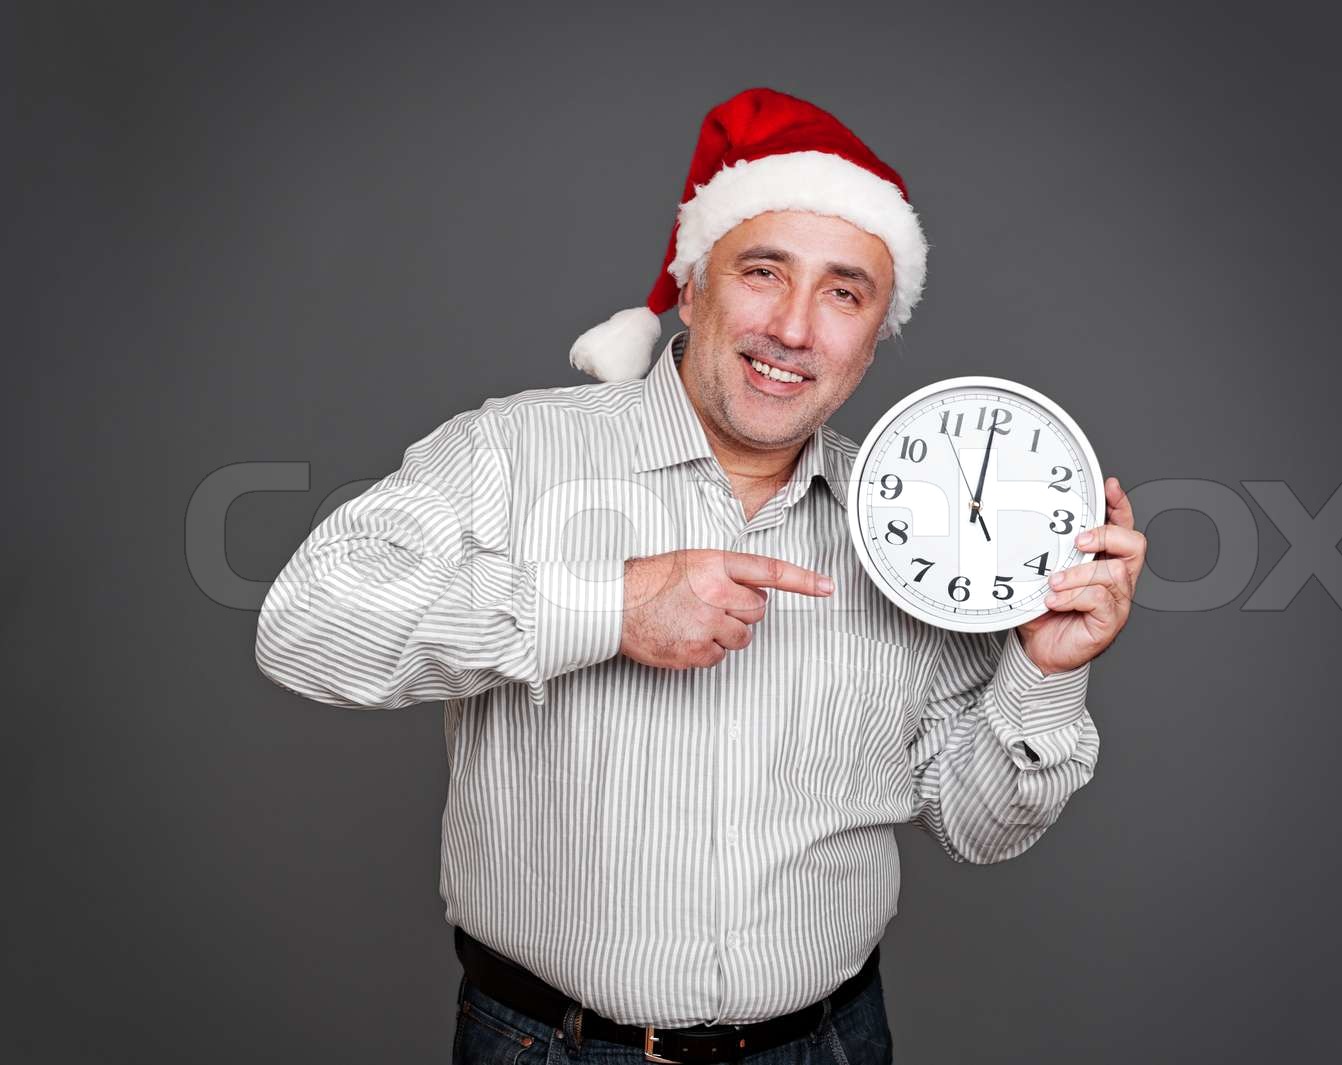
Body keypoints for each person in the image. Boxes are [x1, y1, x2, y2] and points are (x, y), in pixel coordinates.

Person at [256, 87, 1147, 1065]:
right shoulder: (513, 450)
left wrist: (1046, 672)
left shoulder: (921, 533)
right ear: (690, 287)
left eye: (844, 293)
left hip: (827, 1045)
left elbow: (979, 828)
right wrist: (609, 606)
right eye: (763, 272)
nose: (796, 328)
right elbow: (306, 625)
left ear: (877, 332)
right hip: (554, 1048)